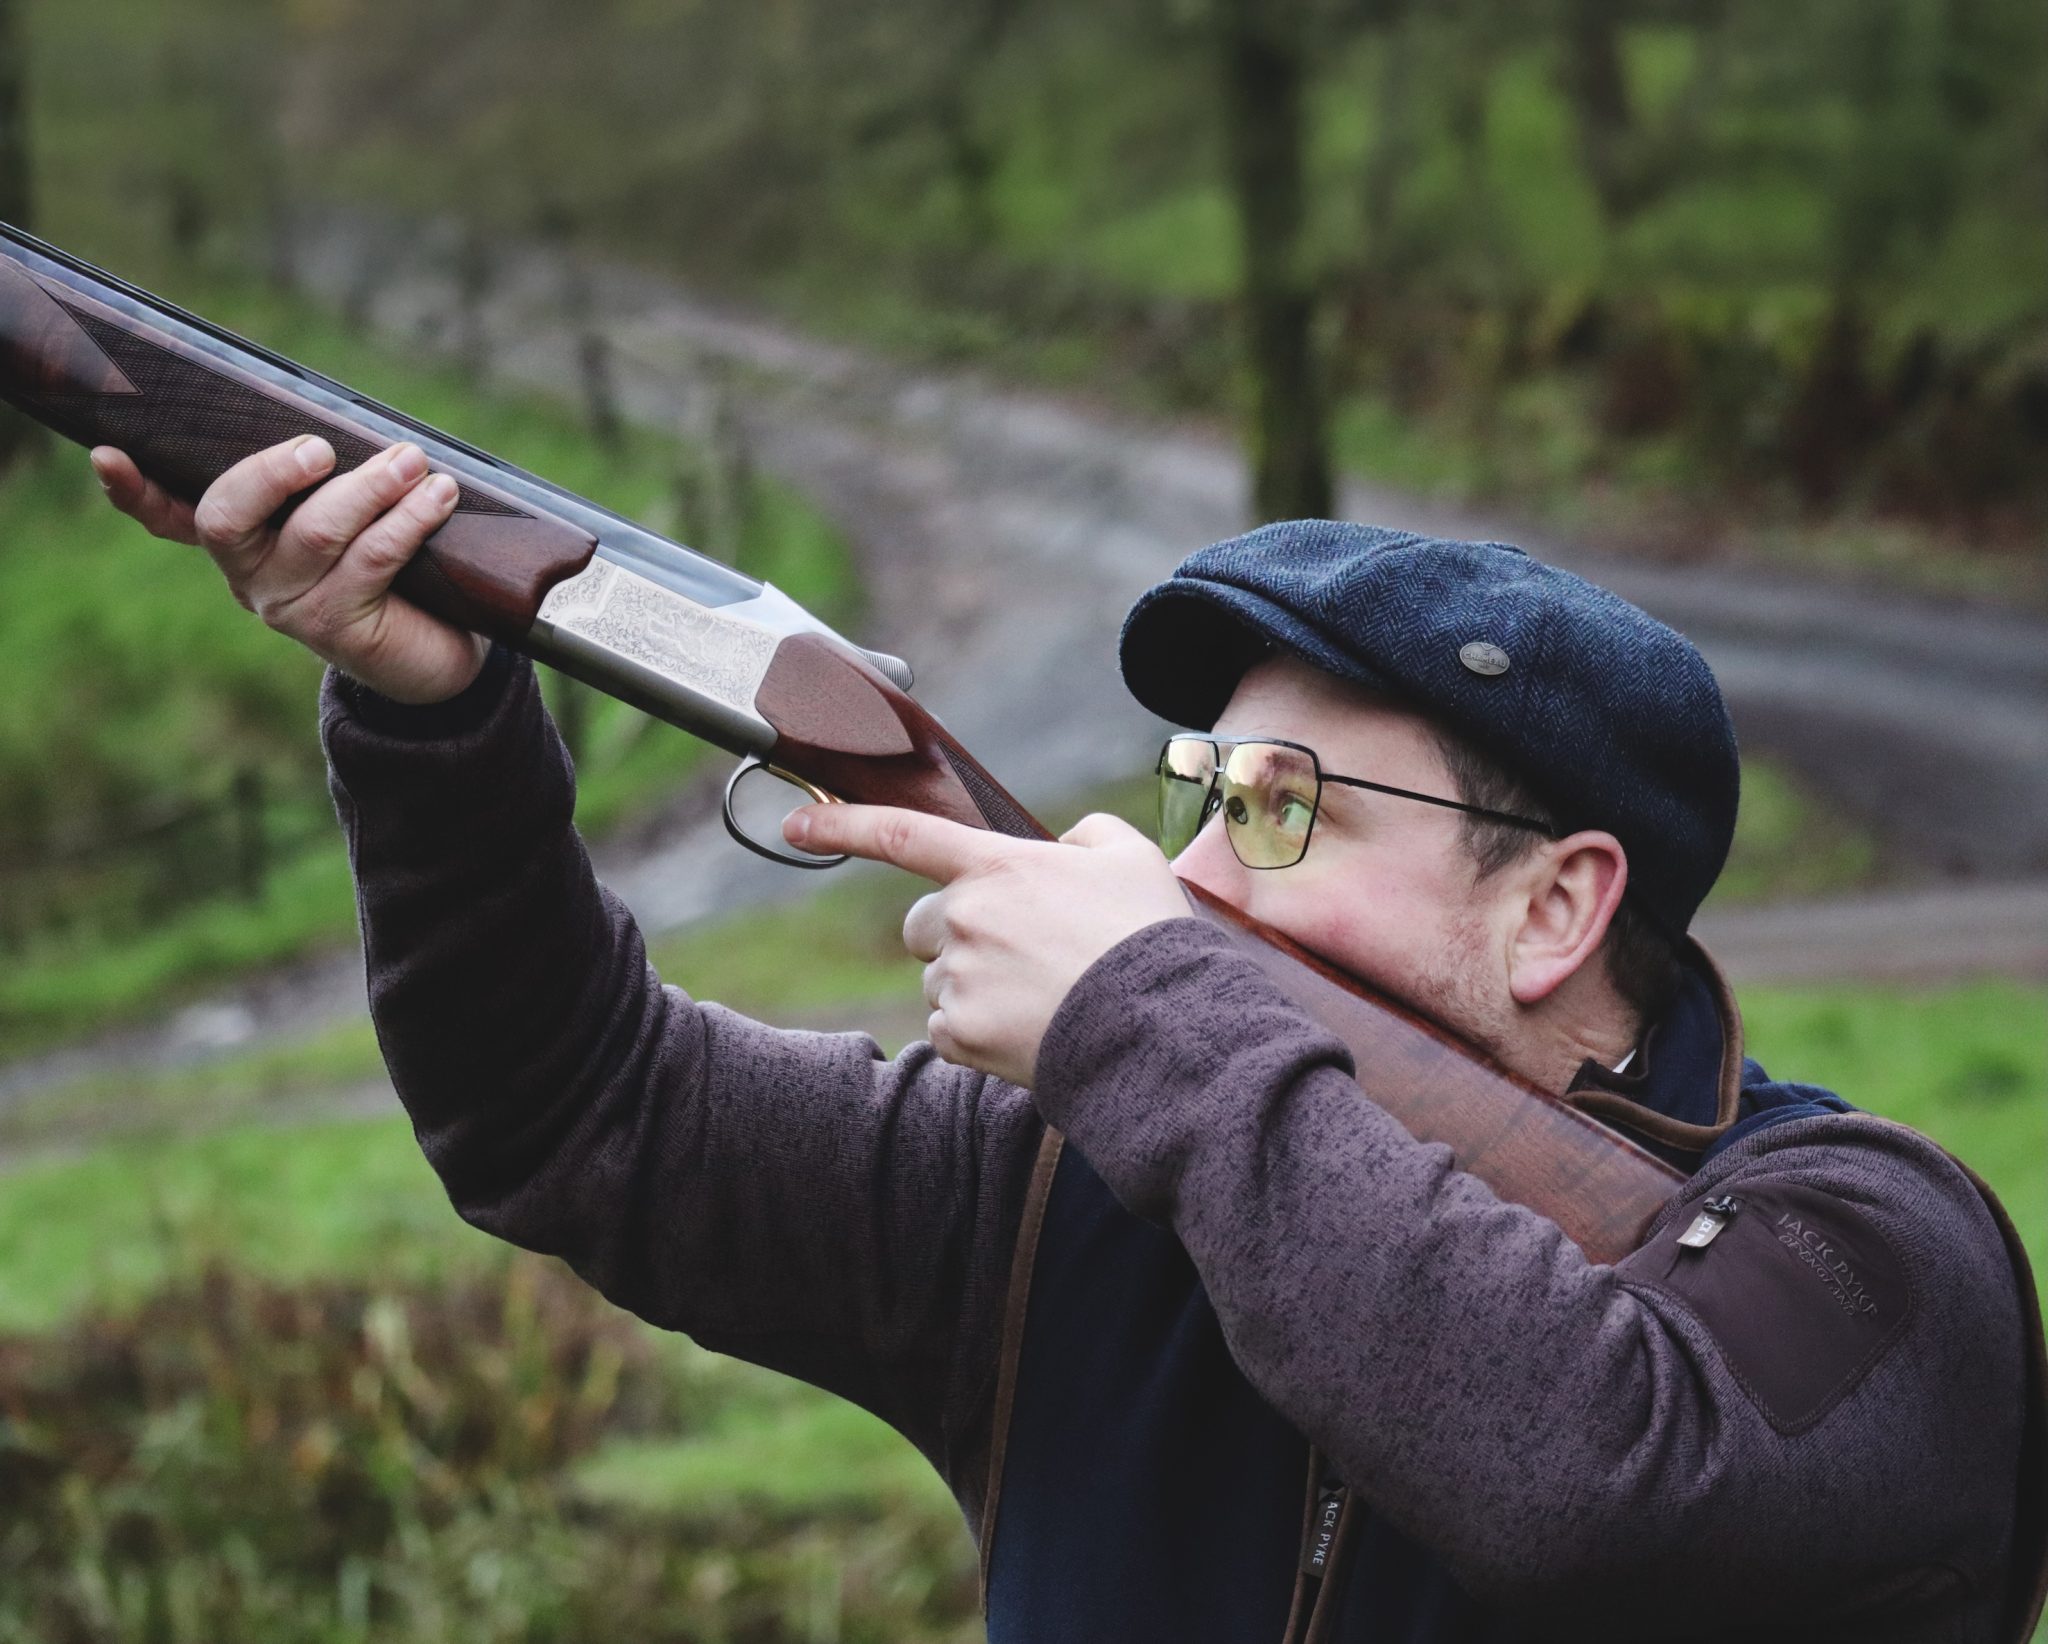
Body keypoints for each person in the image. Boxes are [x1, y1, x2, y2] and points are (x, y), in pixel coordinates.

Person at [92, 436, 2045, 1643]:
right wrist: (436, 721)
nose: (1190, 873)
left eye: (1281, 810)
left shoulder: (1867, 1263)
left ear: (1556, 907)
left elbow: (1587, 1481)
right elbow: (563, 1105)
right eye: (1197, 793)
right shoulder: (1075, 1186)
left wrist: (1136, 1011)